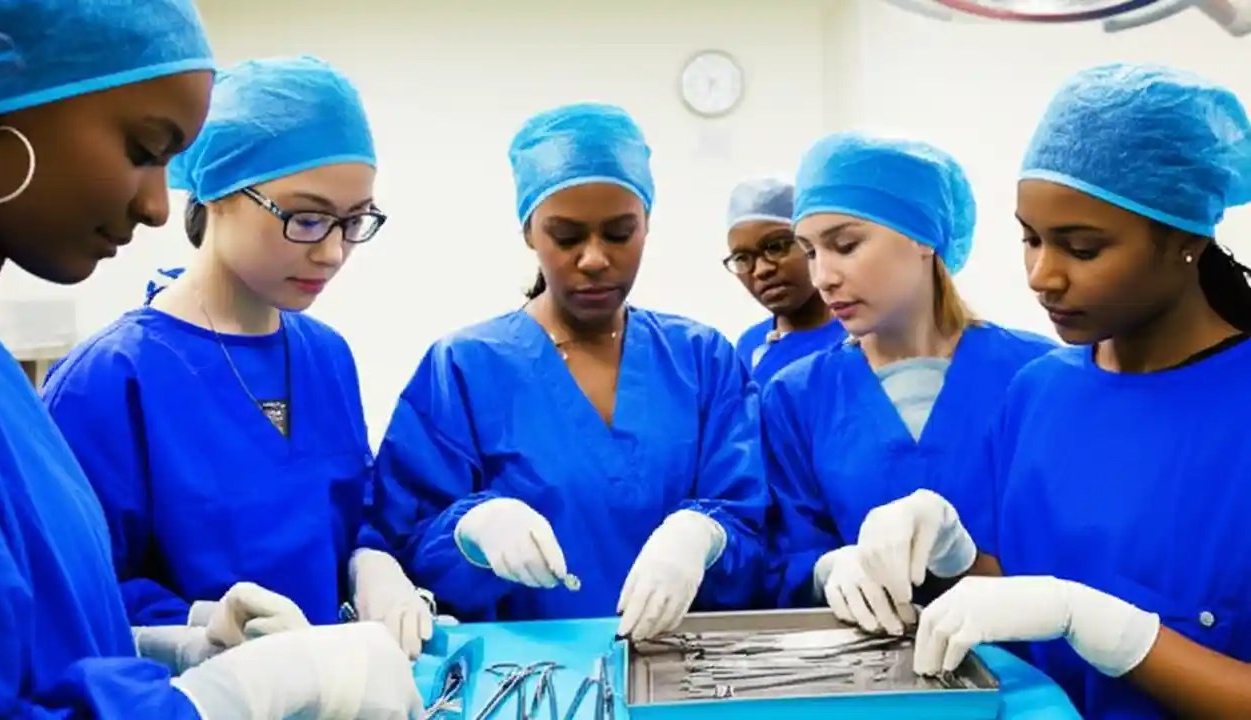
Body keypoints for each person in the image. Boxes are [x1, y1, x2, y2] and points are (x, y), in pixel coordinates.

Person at [0, 4, 420, 717]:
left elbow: (348, 511)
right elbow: (77, 613)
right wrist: (201, 650)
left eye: (354, 221)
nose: (334, 250)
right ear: (215, 191)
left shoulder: (325, 356)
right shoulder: (110, 376)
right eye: (306, 218)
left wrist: (374, 562)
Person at [839, 63, 1251, 719]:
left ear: (1185, 239)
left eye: (1082, 249)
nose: (1041, 275)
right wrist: (953, 555)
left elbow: (1067, 609)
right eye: (1030, 239)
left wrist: (1110, 630)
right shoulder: (1040, 391)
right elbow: (1019, 596)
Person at [362, 102, 767, 640]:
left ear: (647, 226)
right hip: (529, 670)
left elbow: (755, 536)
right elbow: (401, 544)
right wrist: (469, 531)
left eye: (619, 234)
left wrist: (704, 535)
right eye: (567, 237)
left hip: (681, 668)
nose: (594, 258)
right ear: (530, 233)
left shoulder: (702, 360)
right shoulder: (465, 367)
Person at [761, 132, 1055, 618]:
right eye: (811, 252)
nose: (822, 278)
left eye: (845, 245)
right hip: (864, 660)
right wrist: (826, 570)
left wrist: (965, 562)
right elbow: (781, 558)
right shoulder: (797, 396)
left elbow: (1074, 562)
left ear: (924, 236)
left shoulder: (1037, 377)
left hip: (1019, 661)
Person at [724, 177, 845, 384]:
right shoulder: (750, 345)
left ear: (812, 243)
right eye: (742, 258)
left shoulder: (859, 337)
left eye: (776, 247)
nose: (761, 270)